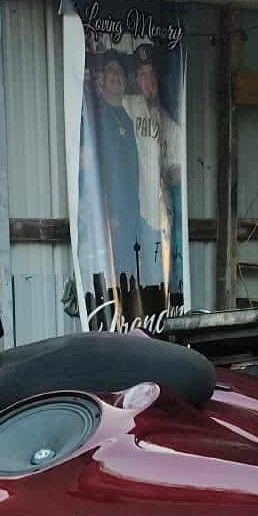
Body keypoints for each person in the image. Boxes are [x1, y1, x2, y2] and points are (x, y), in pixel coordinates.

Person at [77, 47, 143, 318]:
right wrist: (105, 211)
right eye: (111, 71)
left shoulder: (125, 118)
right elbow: (88, 166)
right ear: (101, 78)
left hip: (129, 212)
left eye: (120, 72)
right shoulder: (95, 116)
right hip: (105, 212)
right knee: (107, 273)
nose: (116, 77)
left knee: (128, 271)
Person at [127, 39, 185, 299]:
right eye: (141, 75)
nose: (147, 82)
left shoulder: (171, 125)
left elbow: (179, 173)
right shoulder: (129, 106)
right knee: (138, 283)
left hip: (162, 217)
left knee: (163, 284)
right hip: (138, 212)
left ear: (158, 78)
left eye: (150, 74)